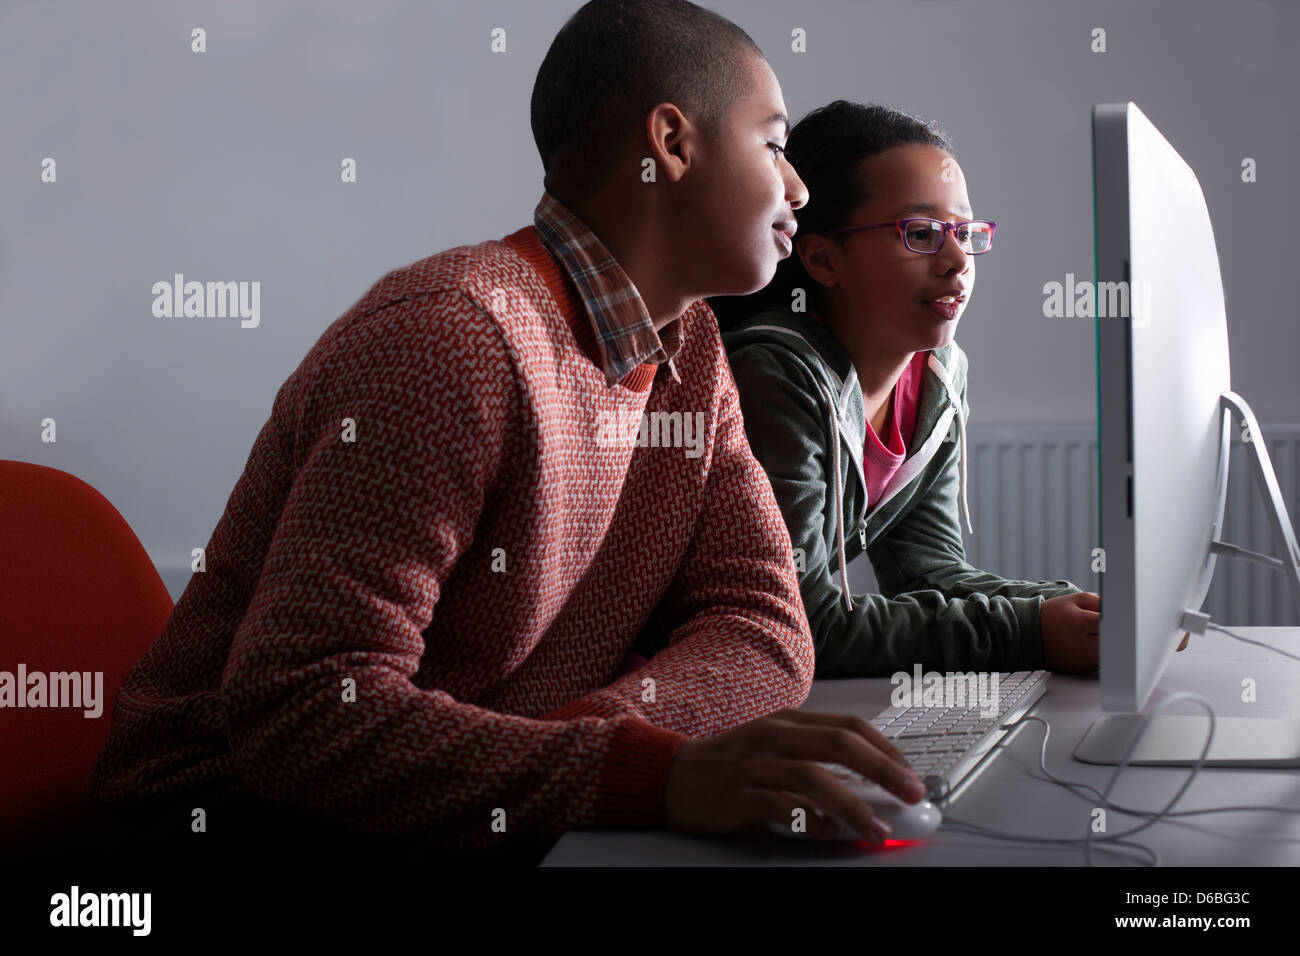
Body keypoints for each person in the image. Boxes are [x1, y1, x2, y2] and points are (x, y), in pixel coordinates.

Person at [88, 5, 926, 866]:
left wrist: (587, 761)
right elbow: (298, 713)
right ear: (672, 145)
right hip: (236, 833)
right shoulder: (449, 341)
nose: (799, 189)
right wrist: (638, 775)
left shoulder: (694, 348)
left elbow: (764, 624)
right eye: (774, 145)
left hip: (472, 822)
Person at [708, 101, 1100, 678]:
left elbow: (930, 573)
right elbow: (803, 624)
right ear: (822, 258)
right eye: (920, 233)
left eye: (966, 232)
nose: (957, 259)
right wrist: (1031, 632)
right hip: (699, 675)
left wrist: (1069, 609)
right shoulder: (775, 376)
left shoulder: (939, 373)